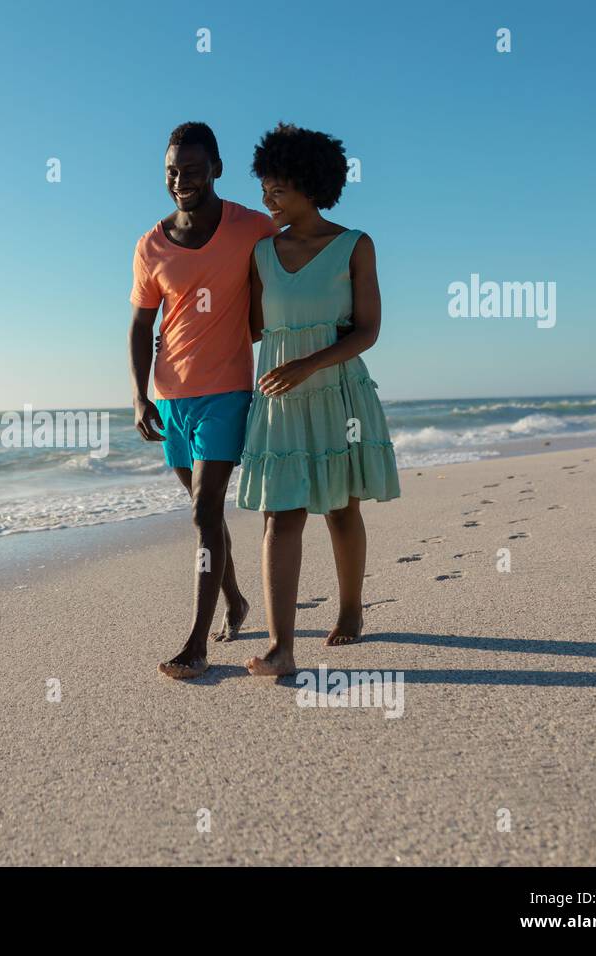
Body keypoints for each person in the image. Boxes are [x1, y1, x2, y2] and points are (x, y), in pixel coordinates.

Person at [237, 123, 401, 677]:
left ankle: (351, 607)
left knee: (340, 507)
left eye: (277, 190)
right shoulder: (260, 252)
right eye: (264, 188)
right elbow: (254, 327)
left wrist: (308, 363)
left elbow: (368, 330)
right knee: (279, 516)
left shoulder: (355, 245)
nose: (266, 200)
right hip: (280, 402)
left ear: (311, 186)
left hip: (337, 391)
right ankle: (282, 647)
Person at [128, 121, 277, 679]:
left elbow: (280, 283)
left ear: (216, 167)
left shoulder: (252, 227)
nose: (181, 180)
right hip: (172, 398)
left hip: (228, 391)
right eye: (172, 171)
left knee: (202, 510)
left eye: (192, 169)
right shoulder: (150, 245)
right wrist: (140, 398)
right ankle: (235, 601)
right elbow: (141, 326)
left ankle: (196, 642)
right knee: (205, 513)